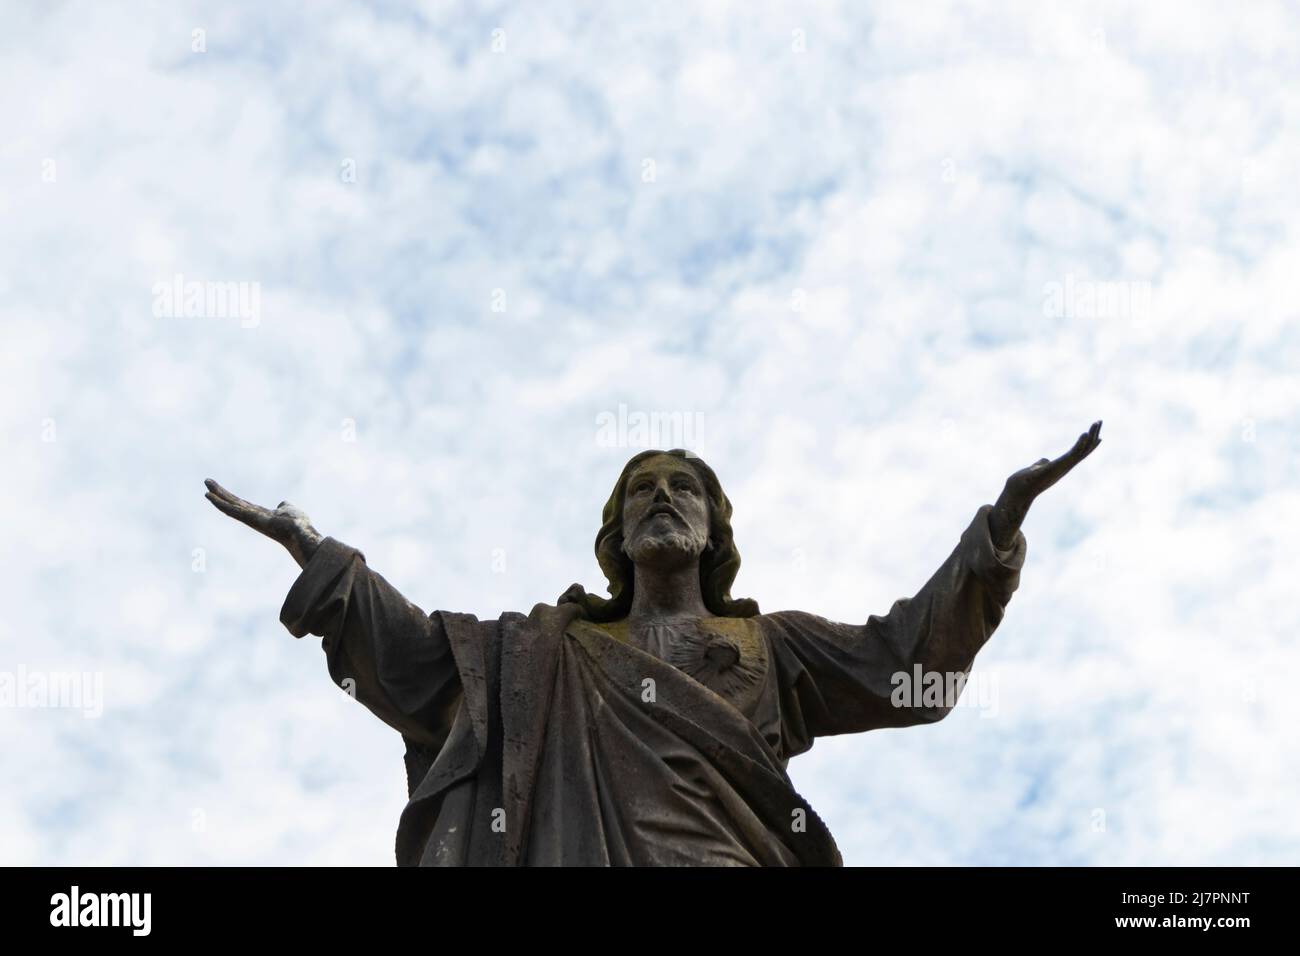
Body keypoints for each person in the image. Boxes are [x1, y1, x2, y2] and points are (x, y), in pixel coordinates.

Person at [204, 421, 1101, 865]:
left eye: (684, 489)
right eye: (642, 491)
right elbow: (417, 666)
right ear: (616, 533)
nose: (662, 499)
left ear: (714, 530)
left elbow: (910, 667)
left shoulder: (772, 646)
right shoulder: (542, 655)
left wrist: (997, 537)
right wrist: (318, 555)